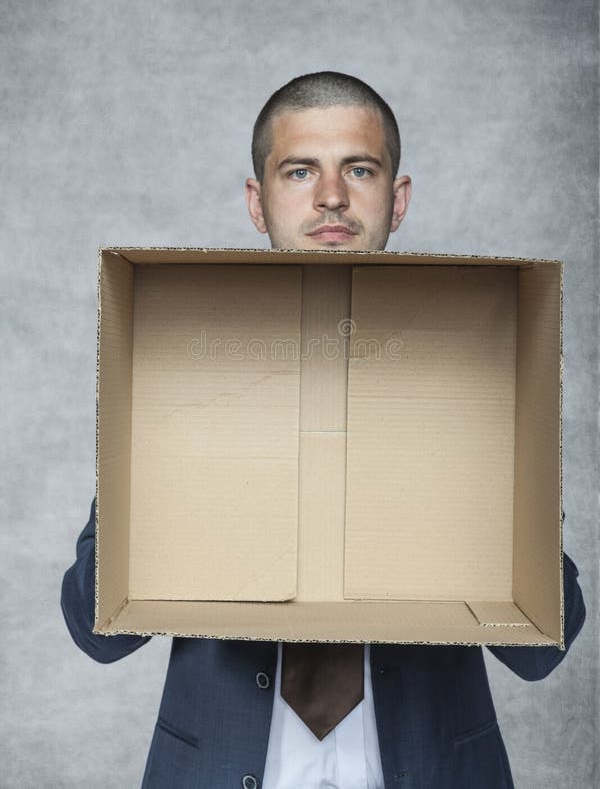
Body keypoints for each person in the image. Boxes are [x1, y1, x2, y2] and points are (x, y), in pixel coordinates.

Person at [61, 71, 586, 789]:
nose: (331, 196)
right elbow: (94, 635)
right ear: (258, 200)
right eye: (300, 169)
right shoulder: (180, 371)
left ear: (397, 200)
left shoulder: (478, 375)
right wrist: (154, 452)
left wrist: (498, 463)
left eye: (359, 169)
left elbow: (543, 652)